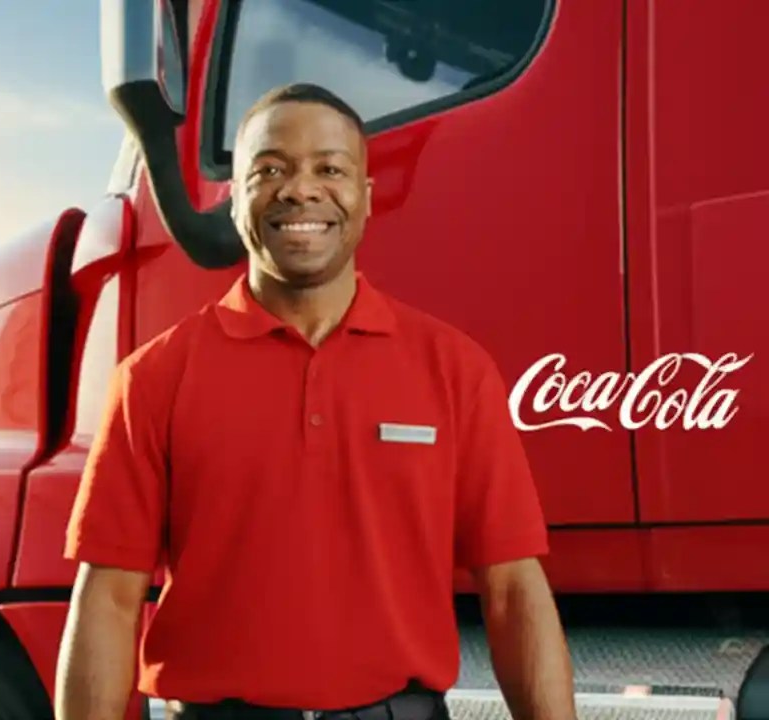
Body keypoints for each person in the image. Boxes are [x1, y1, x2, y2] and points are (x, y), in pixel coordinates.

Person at [54, 82, 576, 720]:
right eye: (270, 169)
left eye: (330, 169)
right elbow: (107, 601)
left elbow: (514, 591)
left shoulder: (454, 369)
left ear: (365, 197)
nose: (301, 189)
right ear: (234, 196)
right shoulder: (154, 378)